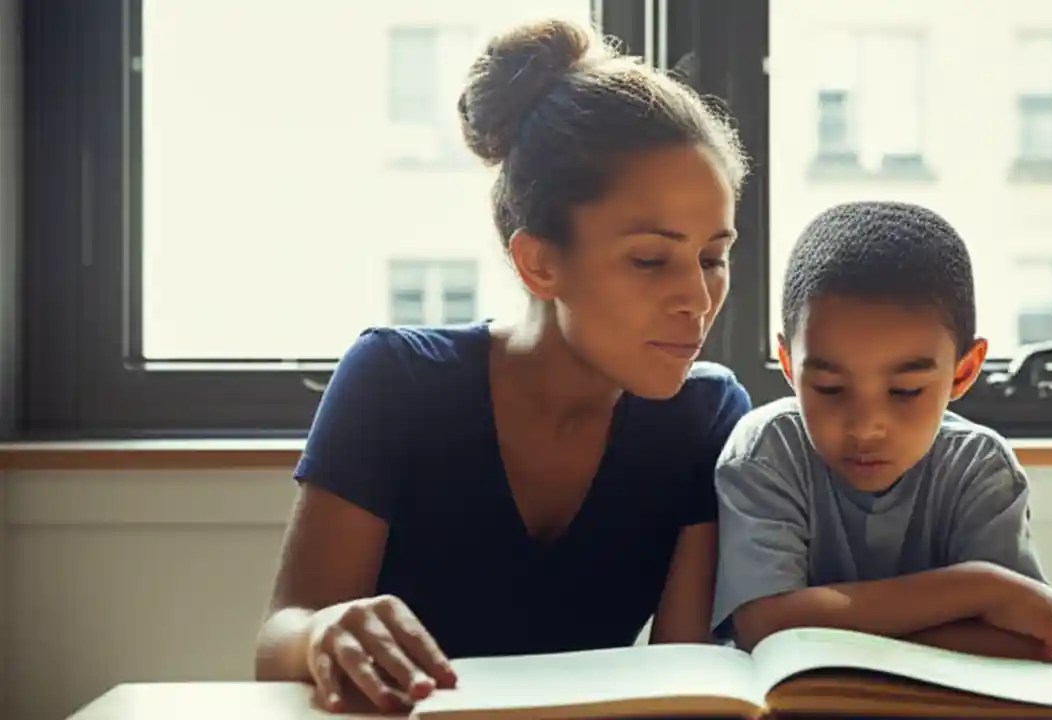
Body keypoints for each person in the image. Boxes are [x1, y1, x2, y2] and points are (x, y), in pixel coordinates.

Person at [254, 18, 751, 713]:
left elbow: (684, 676)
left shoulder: (706, 418)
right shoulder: (394, 382)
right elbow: (279, 640)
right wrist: (319, 634)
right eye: (649, 259)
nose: (697, 299)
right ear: (539, 262)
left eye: (712, 257)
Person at [711, 201, 1052, 677]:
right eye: (830, 388)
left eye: (905, 391)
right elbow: (765, 623)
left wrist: (817, 623)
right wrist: (978, 589)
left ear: (964, 372)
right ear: (789, 365)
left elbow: (1024, 641)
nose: (865, 427)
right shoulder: (766, 453)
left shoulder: (980, 467)